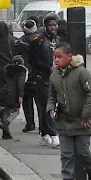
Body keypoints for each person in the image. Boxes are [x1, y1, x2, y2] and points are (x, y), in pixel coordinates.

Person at [47, 43, 91, 180]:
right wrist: (51, 108)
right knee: (66, 155)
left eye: (59, 57)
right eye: (54, 57)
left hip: (82, 121)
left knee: (83, 152)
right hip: (63, 121)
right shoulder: (54, 76)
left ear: (69, 56)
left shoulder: (81, 73)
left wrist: (85, 114)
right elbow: (51, 96)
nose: (56, 60)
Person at [16, 18, 59, 147]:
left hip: (55, 78)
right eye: (50, 25)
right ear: (45, 26)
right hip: (41, 77)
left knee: (48, 106)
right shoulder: (38, 40)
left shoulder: (57, 40)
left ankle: (44, 134)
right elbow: (33, 60)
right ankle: (53, 134)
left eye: (55, 25)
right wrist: (47, 68)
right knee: (46, 105)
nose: (53, 27)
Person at [0, 55, 27, 140]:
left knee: (6, 111)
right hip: (13, 94)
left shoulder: (7, 70)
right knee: (16, 111)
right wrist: (20, 96)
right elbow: (20, 84)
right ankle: (6, 122)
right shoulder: (22, 71)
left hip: (3, 92)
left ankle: (6, 134)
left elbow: (2, 81)